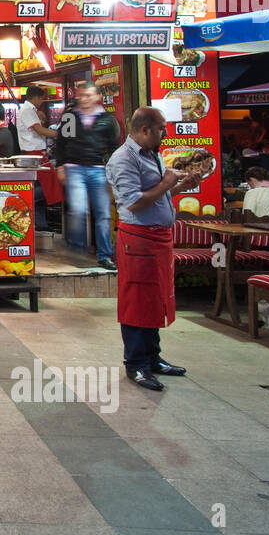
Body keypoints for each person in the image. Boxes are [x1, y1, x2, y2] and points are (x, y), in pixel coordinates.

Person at [106, 107, 200, 391]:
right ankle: (136, 364)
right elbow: (134, 202)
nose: (165, 133)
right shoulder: (123, 159)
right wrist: (166, 183)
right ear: (145, 129)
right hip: (138, 239)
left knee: (156, 298)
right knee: (137, 300)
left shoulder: (153, 154)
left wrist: (180, 187)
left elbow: (157, 197)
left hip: (159, 238)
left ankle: (153, 357)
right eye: (161, 129)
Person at [54, 80, 121, 271]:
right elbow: (61, 143)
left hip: (98, 169)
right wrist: (60, 166)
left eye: (88, 95)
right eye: (81, 95)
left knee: (103, 214)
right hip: (74, 168)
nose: (84, 99)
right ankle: (77, 248)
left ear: (97, 97)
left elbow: (114, 148)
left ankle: (104, 256)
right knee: (78, 210)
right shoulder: (71, 116)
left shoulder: (107, 120)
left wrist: (113, 173)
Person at [16, 87, 56, 154]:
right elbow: (39, 130)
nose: (42, 101)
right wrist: (59, 134)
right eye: (41, 99)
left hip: (34, 151)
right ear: (36, 98)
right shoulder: (27, 110)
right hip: (32, 152)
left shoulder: (30, 110)